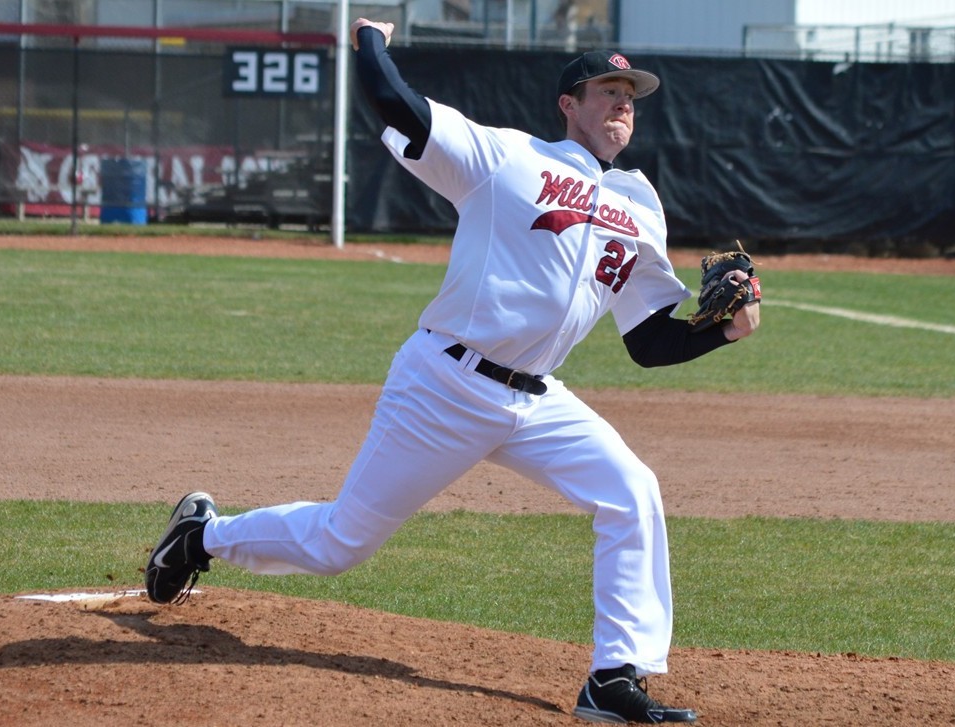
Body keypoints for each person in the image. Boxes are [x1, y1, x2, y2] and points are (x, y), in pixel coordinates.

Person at [145, 18, 760, 725]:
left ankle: (614, 677)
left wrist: (723, 330)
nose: (624, 102)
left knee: (632, 490)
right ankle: (204, 534)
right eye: (608, 89)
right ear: (569, 103)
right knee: (341, 542)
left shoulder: (638, 208)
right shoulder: (508, 157)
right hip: (445, 383)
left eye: (631, 94)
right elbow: (395, 103)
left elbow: (649, 341)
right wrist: (370, 40)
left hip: (537, 399)